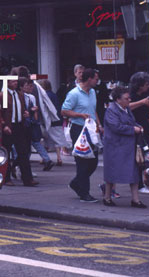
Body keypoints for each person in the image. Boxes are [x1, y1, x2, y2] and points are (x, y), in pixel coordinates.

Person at [101, 87, 146, 208]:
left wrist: (138, 126)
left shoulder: (126, 108)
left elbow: (132, 122)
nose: (129, 100)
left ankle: (135, 200)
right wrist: (133, 129)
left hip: (128, 146)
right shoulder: (111, 110)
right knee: (112, 172)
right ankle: (107, 197)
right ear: (118, 100)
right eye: (126, 98)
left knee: (133, 172)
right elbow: (116, 126)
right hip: (115, 146)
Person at [62, 68, 102, 202]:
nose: (97, 81)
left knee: (93, 161)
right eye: (96, 79)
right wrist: (80, 115)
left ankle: (76, 182)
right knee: (82, 161)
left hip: (91, 128)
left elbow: (93, 110)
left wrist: (99, 124)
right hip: (79, 129)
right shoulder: (74, 93)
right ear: (89, 79)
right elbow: (64, 111)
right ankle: (84, 193)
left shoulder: (92, 92)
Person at [0, 76, 37, 187]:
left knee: (23, 152)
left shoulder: (19, 95)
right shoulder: (3, 96)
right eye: (12, 81)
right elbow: (0, 112)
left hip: (20, 126)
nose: (15, 83)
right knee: (6, 152)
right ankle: (6, 178)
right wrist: (4, 125)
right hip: (9, 127)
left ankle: (27, 179)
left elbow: (22, 108)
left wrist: (27, 113)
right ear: (7, 83)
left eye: (16, 81)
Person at [128, 72, 149, 194]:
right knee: (139, 157)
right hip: (134, 130)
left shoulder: (145, 95)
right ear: (140, 85)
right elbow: (126, 107)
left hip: (145, 129)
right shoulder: (130, 95)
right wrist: (142, 102)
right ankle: (139, 184)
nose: (148, 86)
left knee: (148, 154)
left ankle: (145, 174)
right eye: (146, 84)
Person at [22, 78, 54, 171]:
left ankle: (24, 165)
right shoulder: (29, 96)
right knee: (34, 143)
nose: (31, 88)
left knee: (30, 143)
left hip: (29, 123)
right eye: (29, 86)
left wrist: (34, 115)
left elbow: (35, 111)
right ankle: (46, 159)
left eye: (31, 86)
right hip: (31, 123)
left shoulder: (31, 97)